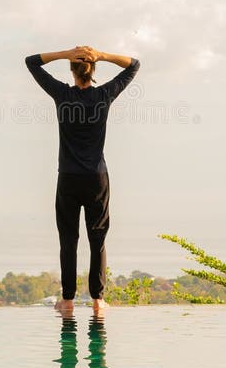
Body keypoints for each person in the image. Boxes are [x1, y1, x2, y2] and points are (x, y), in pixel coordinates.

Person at [25, 45, 141, 316]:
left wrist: (64, 53)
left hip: (68, 177)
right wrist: (103, 55)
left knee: (69, 239)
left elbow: (31, 62)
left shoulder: (62, 94)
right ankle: (98, 300)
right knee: (97, 239)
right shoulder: (104, 95)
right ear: (93, 70)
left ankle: (67, 300)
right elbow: (134, 65)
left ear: (73, 70)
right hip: (96, 178)